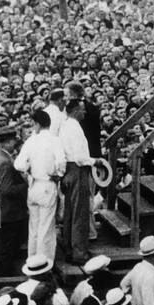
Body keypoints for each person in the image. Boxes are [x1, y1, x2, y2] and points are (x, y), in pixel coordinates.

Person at [14, 109, 66, 266]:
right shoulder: (54, 140)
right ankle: (44, 264)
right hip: (47, 184)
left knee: (34, 227)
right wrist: (58, 174)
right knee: (46, 227)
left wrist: (29, 169)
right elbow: (61, 163)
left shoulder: (31, 141)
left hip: (34, 185)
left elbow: (18, 164)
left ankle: (32, 261)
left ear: (37, 124)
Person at [0, 124, 28, 275]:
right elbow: (7, 189)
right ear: (5, 142)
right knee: (6, 248)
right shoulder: (4, 161)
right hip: (6, 212)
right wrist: (26, 185)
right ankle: (0, 278)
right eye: (12, 142)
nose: (14, 145)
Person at [59, 98, 96, 266]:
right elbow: (81, 158)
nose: (85, 112)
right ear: (75, 111)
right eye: (82, 110)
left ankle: (69, 248)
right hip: (77, 170)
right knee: (80, 213)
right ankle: (80, 253)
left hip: (68, 171)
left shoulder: (66, 126)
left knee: (69, 213)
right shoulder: (74, 128)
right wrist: (96, 161)